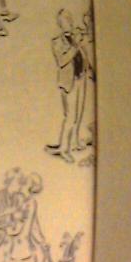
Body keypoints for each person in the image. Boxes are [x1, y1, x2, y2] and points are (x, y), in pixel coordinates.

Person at [45, 10, 90, 163]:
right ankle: (64, 149)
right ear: (60, 24)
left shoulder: (76, 37)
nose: (68, 23)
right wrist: (76, 45)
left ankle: (74, 143)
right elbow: (62, 61)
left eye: (69, 20)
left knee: (79, 114)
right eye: (65, 21)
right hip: (68, 82)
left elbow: (84, 56)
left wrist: (89, 70)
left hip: (80, 79)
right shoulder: (57, 42)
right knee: (70, 117)